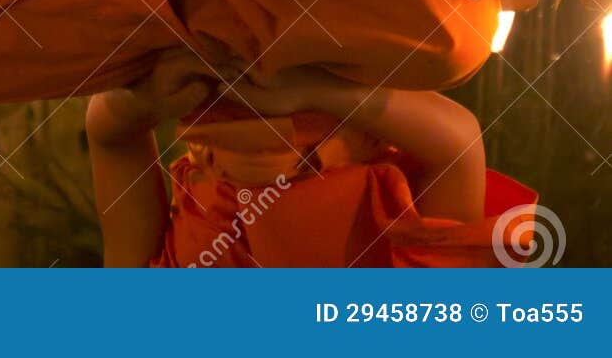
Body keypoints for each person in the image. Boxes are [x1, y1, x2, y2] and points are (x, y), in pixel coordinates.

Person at [86, 52, 538, 268]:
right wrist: (314, 92)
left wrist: (145, 99)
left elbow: (110, 138)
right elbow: (458, 146)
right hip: (341, 51)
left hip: (201, 48)